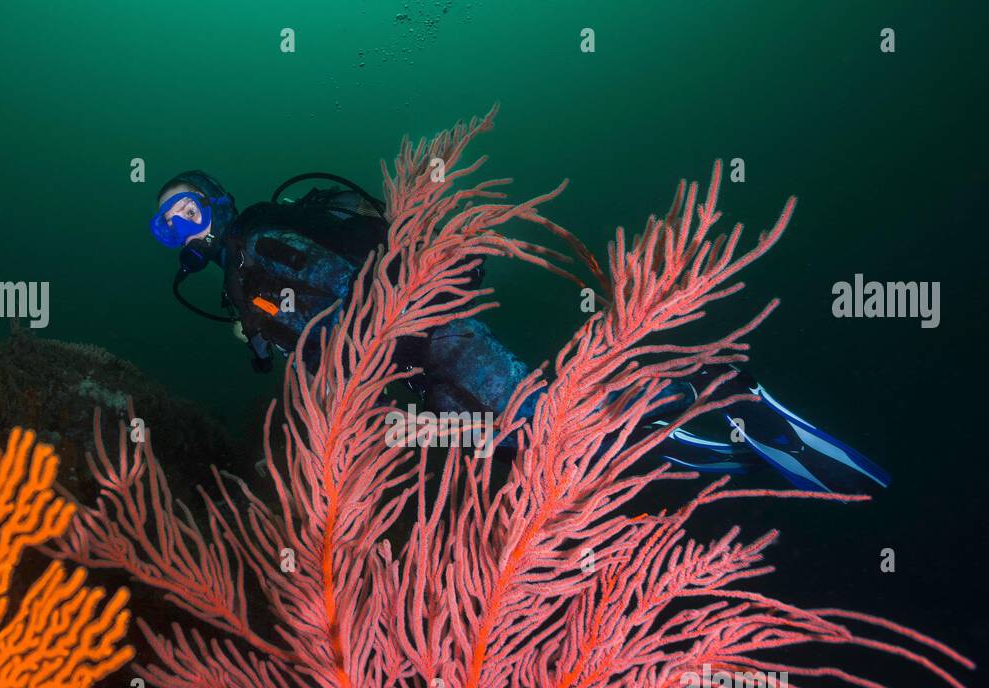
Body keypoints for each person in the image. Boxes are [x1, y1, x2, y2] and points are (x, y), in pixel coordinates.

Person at [149, 170, 889, 494]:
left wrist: (356, 346)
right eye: (170, 224)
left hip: (424, 342)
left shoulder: (254, 244)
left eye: (188, 209)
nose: (185, 227)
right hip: (409, 383)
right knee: (516, 445)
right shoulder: (241, 279)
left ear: (218, 200)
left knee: (548, 424)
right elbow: (301, 333)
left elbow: (336, 294)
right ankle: (710, 430)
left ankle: (721, 411)